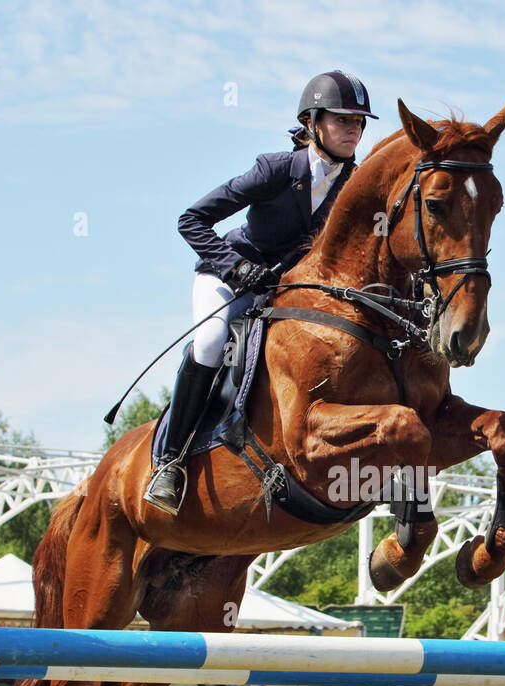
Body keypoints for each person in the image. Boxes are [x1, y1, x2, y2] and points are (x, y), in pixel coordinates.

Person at [144, 70, 378, 515]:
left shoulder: (356, 185)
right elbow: (192, 219)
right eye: (342, 119)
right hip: (229, 276)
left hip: (288, 291)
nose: (353, 130)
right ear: (312, 122)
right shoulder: (275, 169)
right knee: (211, 341)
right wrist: (236, 268)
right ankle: (170, 462)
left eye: (359, 122)